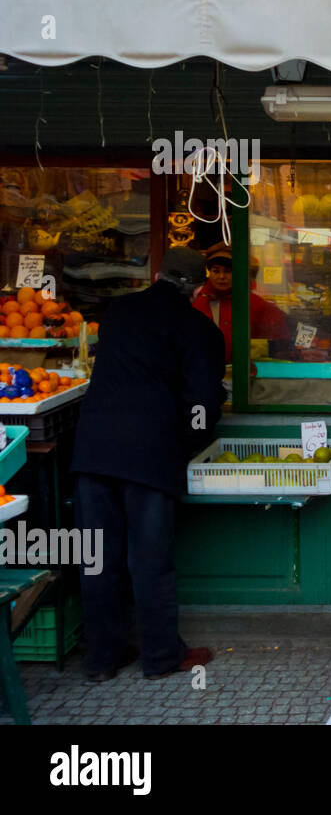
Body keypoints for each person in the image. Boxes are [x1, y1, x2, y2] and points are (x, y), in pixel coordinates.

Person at [71, 246, 227, 681]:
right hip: (149, 453)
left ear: (157, 273)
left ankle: (102, 659)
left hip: (94, 448)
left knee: (98, 558)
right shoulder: (198, 329)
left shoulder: (117, 311)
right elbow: (202, 402)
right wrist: (194, 434)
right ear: (199, 288)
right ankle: (160, 656)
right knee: (149, 558)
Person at [191, 243, 291, 363]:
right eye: (216, 271)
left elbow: (280, 345)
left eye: (228, 271)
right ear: (209, 273)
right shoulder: (199, 302)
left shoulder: (257, 305)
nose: (221, 276)